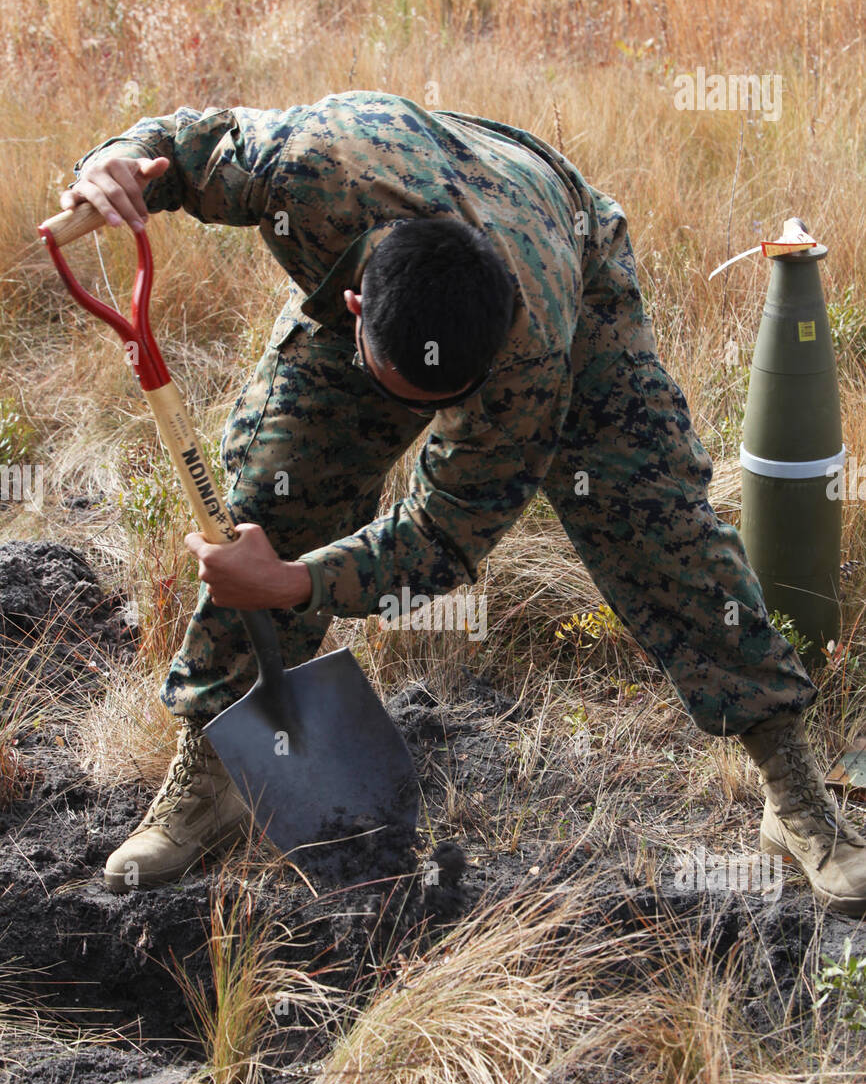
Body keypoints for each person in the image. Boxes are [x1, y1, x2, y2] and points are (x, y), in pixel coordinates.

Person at [60, 90, 866, 913]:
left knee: (654, 524)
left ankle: (795, 796)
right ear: (354, 309)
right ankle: (211, 770)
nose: (425, 419)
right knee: (274, 497)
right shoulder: (306, 171)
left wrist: (295, 585)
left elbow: (445, 537)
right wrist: (116, 159)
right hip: (391, 233)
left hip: (563, 249)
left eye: (446, 402)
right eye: (405, 394)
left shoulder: (528, 359)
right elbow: (193, 143)